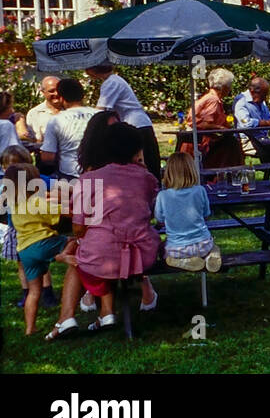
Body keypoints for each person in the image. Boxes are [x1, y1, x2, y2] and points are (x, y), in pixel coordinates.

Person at [46, 123, 161, 339]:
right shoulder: (146, 178)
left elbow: (78, 227)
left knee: (80, 256)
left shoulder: (89, 180)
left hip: (103, 256)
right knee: (97, 248)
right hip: (142, 254)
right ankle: (104, 313)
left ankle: (66, 318)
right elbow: (151, 210)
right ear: (137, 149)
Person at [5, 161, 68, 334]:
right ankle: (61, 257)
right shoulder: (37, 202)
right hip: (43, 243)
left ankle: (30, 328)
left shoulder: (13, 205)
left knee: (34, 291)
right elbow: (58, 215)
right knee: (72, 242)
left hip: (25, 251)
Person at [2, 145, 58, 312]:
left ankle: (47, 291)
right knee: (21, 264)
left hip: (37, 227)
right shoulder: (7, 184)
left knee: (42, 263)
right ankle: (27, 291)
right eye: (7, 167)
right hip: (16, 230)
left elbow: (60, 187)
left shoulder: (39, 179)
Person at [86, 64, 161, 179]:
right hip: (139, 123)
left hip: (135, 125)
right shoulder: (115, 80)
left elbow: (101, 110)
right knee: (149, 163)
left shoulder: (110, 83)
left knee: (144, 164)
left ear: (92, 70)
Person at [156, 151, 222, 272]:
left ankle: (179, 260)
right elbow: (206, 215)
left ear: (168, 173)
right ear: (192, 170)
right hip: (203, 244)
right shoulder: (200, 191)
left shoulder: (162, 196)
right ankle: (212, 255)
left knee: (162, 249)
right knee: (214, 246)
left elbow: (159, 220)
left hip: (176, 248)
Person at [38, 78, 96, 179]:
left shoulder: (56, 120)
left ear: (61, 98)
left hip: (70, 175)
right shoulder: (100, 115)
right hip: (99, 173)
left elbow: (48, 157)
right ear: (83, 95)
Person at [185, 68, 243, 168]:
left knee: (232, 142)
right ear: (224, 87)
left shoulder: (208, 97)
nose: (230, 89)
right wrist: (221, 128)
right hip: (200, 143)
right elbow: (203, 124)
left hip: (197, 140)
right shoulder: (213, 100)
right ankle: (232, 175)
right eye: (229, 86)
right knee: (232, 144)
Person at [233, 76, 270, 162]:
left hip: (263, 140)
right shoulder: (241, 101)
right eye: (263, 95)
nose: (265, 98)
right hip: (248, 141)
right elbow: (246, 124)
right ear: (252, 91)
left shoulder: (261, 102)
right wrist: (268, 123)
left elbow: (267, 118)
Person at [25, 75, 63, 143]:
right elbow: (35, 140)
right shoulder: (35, 113)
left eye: (59, 90)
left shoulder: (71, 110)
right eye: (51, 91)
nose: (56, 93)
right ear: (43, 92)